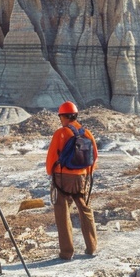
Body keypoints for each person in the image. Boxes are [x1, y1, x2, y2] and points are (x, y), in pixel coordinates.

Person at [46, 101, 98, 260]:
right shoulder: (86, 133)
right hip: (81, 177)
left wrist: (51, 173)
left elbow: (51, 157)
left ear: (63, 116)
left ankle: (67, 253)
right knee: (85, 208)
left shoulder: (61, 133)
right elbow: (94, 157)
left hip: (62, 178)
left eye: (60, 116)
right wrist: (84, 173)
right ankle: (92, 247)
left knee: (62, 211)